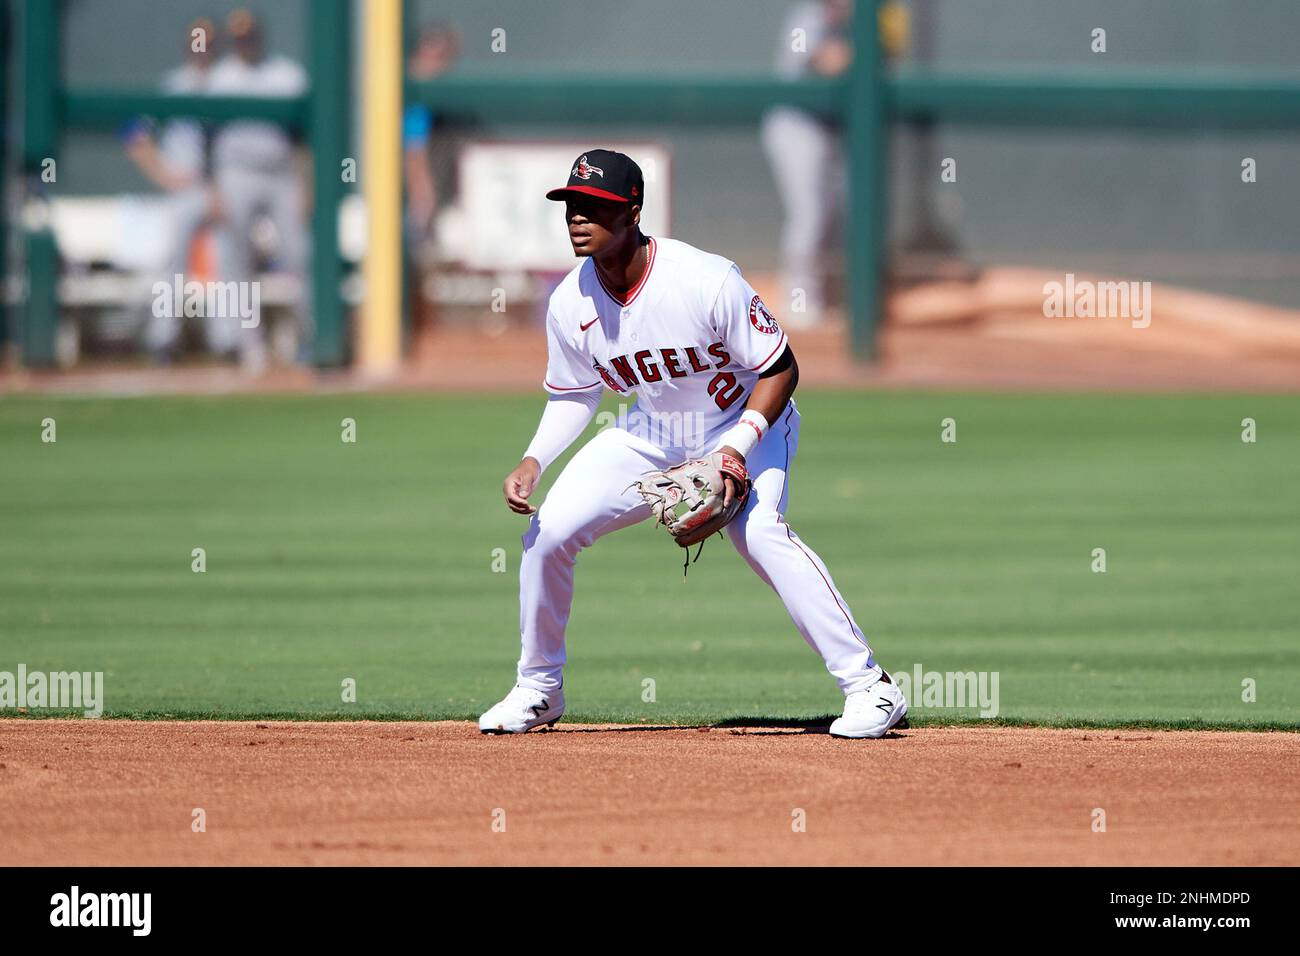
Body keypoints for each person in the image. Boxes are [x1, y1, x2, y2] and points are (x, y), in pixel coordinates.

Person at [479, 149, 907, 739]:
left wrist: (737, 446)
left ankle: (871, 688)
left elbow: (780, 367)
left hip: (743, 420)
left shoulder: (704, 280)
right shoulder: (570, 302)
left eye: (594, 205)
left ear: (632, 211)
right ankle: (538, 688)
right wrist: (534, 458)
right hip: (652, 431)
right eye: (571, 204)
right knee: (548, 533)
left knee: (758, 533)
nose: (578, 216)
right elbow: (575, 394)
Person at [206, 8, 310, 372]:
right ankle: (249, 346)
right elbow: (208, 140)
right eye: (239, 37)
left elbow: (305, 138)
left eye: (249, 35)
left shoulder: (286, 75)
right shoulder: (220, 77)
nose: (244, 42)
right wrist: (214, 189)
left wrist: (306, 185)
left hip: (281, 173)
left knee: (300, 254)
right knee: (237, 260)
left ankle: (309, 340)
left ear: (260, 36)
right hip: (235, 173)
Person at [123, 17, 222, 361]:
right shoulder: (174, 86)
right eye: (197, 40)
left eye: (208, 41)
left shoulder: (227, 83)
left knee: (227, 262)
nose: (202, 48)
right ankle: (163, 340)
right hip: (184, 188)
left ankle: (229, 342)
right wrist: (163, 174)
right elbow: (134, 132)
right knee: (173, 265)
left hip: (221, 188)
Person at [761, 0, 854, 329]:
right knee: (809, 214)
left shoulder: (843, 24)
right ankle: (799, 301)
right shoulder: (808, 19)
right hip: (795, 126)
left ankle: (827, 297)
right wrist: (876, 46)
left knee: (834, 215)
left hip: (826, 131)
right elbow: (828, 62)